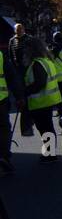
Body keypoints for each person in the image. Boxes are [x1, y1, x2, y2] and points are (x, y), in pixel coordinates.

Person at [20, 37, 62, 155]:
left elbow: (40, 83)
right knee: (47, 128)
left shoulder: (37, 64)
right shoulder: (46, 61)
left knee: (45, 129)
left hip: (40, 102)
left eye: (26, 49)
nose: (24, 52)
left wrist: (26, 91)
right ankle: (50, 152)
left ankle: (49, 153)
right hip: (48, 100)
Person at [0, 45, 12, 174]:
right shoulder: (1, 56)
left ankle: (48, 154)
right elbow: (11, 76)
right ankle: (4, 155)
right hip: (1, 99)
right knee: (3, 128)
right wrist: (20, 95)